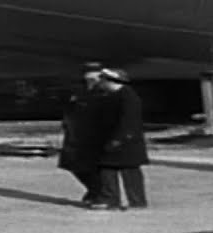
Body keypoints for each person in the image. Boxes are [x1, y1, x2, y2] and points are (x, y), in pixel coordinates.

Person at [95, 68, 149, 211]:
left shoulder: (128, 97)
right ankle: (110, 200)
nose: (100, 82)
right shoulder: (110, 95)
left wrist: (120, 139)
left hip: (126, 142)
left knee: (130, 171)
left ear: (110, 81)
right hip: (110, 139)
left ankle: (137, 201)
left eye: (102, 79)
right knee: (106, 169)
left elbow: (130, 121)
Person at [58, 62, 108, 205]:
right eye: (88, 72)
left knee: (94, 166)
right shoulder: (78, 89)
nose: (90, 75)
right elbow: (69, 108)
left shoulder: (105, 89)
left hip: (95, 133)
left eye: (94, 72)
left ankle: (99, 193)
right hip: (75, 132)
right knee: (72, 163)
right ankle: (94, 189)